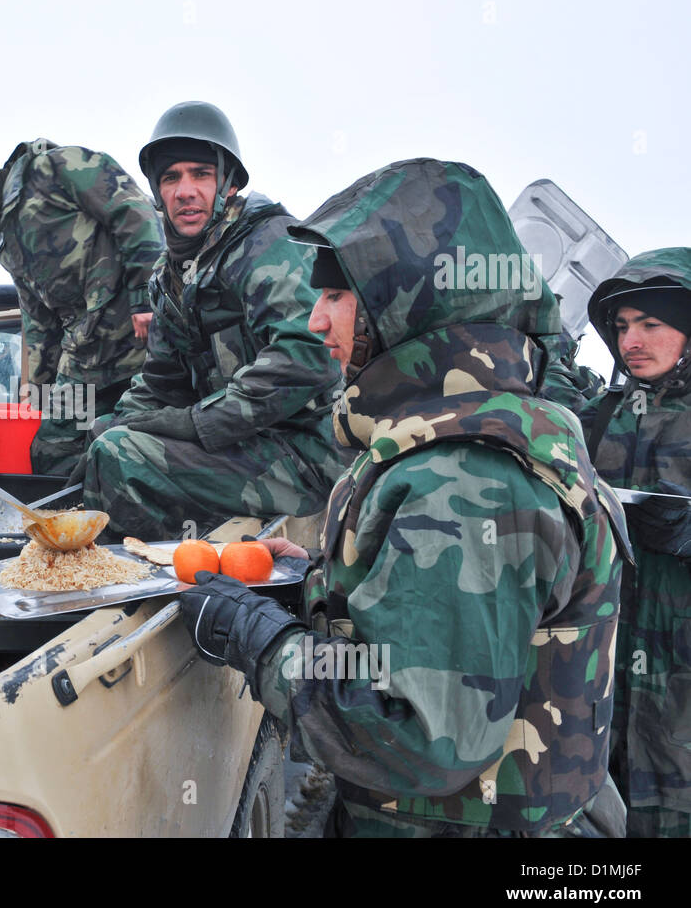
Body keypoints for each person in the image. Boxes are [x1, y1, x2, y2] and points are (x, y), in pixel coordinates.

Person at [178, 158, 629, 837]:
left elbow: (415, 739)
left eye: (336, 296)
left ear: (405, 300)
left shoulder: (463, 482)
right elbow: (431, 630)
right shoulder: (479, 430)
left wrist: (261, 638)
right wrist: (319, 585)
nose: (315, 319)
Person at [81, 102, 347, 541]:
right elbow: (163, 381)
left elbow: (306, 357)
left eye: (200, 174)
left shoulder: (268, 242)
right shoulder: (170, 276)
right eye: (171, 178)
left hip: (307, 456)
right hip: (242, 447)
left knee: (121, 456)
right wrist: (111, 424)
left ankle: (159, 582)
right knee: (108, 440)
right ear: (158, 191)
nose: (185, 190)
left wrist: (198, 423)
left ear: (227, 184)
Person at [0, 142, 164, 475]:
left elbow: (134, 213)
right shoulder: (9, 246)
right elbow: (39, 324)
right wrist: (38, 400)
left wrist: (145, 298)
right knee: (52, 447)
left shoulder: (54, 168)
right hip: (87, 357)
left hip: (145, 341)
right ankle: (75, 521)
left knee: (136, 439)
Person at [585, 248, 691, 837]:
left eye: (651, 323)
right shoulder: (603, 414)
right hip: (604, 670)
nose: (633, 339)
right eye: (623, 326)